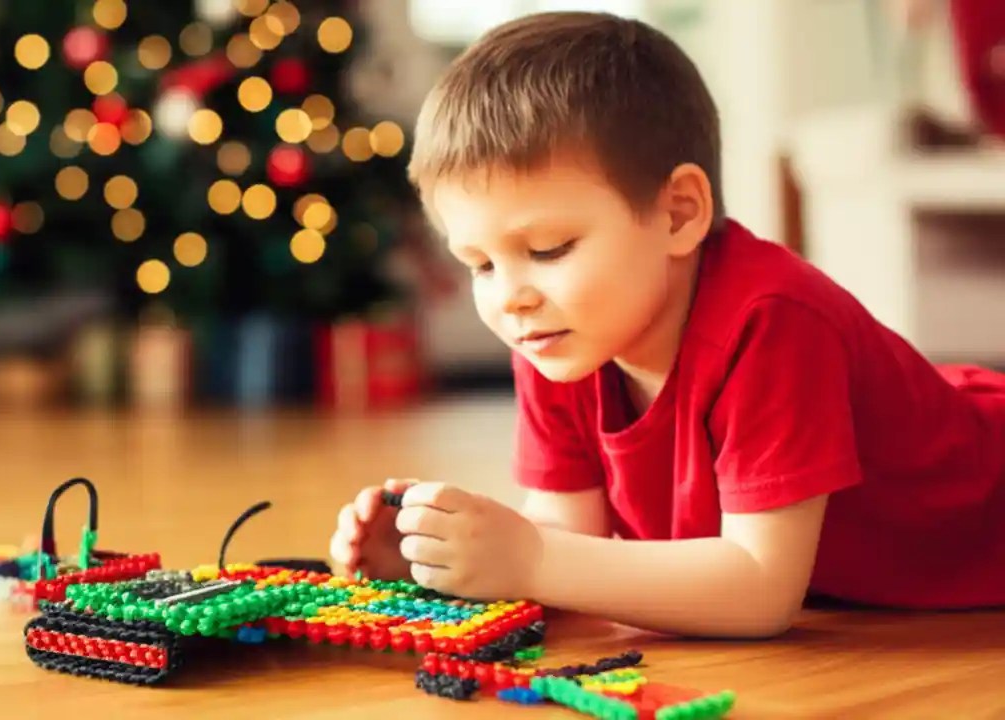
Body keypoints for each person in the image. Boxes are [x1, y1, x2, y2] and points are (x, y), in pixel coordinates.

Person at [328, 11, 1005, 638]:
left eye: (548, 250)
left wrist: (529, 558)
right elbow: (565, 538)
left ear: (679, 213)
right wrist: (437, 562)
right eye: (479, 265)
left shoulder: (771, 320)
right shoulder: (558, 334)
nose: (510, 297)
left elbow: (759, 588)